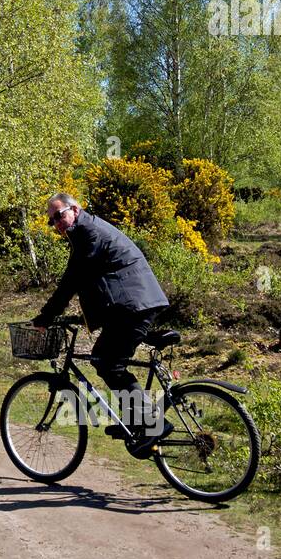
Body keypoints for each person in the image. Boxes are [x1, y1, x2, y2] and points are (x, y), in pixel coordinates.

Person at [32, 193, 173, 455]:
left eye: (59, 215)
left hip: (135, 306)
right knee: (104, 360)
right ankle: (134, 424)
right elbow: (95, 282)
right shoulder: (86, 232)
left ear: (75, 209)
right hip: (131, 305)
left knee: (109, 362)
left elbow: (71, 281)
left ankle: (154, 424)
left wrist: (45, 317)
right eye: (52, 221)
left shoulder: (89, 233)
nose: (57, 224)